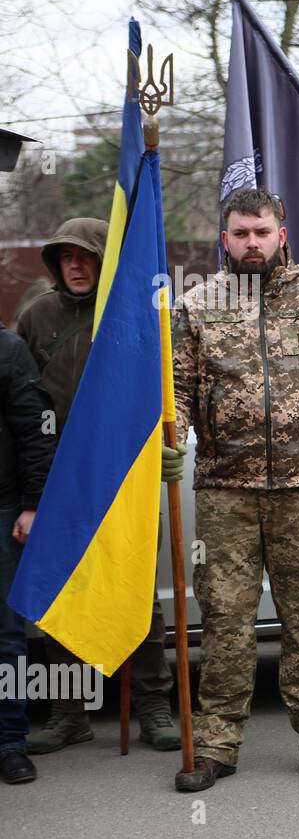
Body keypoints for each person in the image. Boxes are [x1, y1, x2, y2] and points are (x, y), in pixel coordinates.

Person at [171, 188, 299, 790]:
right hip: (224, 489)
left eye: (262, 232)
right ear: (225, 238)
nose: (252, 243)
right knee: (226, 620)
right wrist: (171, 438)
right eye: (240, 233)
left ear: (281, 235)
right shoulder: (198, 305)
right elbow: (179, 391)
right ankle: (216, 744)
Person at [15, 218, 181, 753]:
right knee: (64, 594)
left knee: (137, 593)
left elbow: (167, 387)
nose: (77, 266)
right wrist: (27, 489)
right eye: (66, 258)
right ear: (55, 265)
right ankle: (70, 714)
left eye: (86, 256)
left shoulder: (133, 313)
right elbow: (15, 403)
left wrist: (166, 449)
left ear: (105, 262)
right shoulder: (36, 317)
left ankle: (155, 709)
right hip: (58, 480)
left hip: (124, 477)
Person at [0, 321, 56, 784]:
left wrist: (32, 505)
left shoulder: (8, 349)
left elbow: (35, 432)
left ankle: (9, 744)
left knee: (6, 636)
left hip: (3, 508)